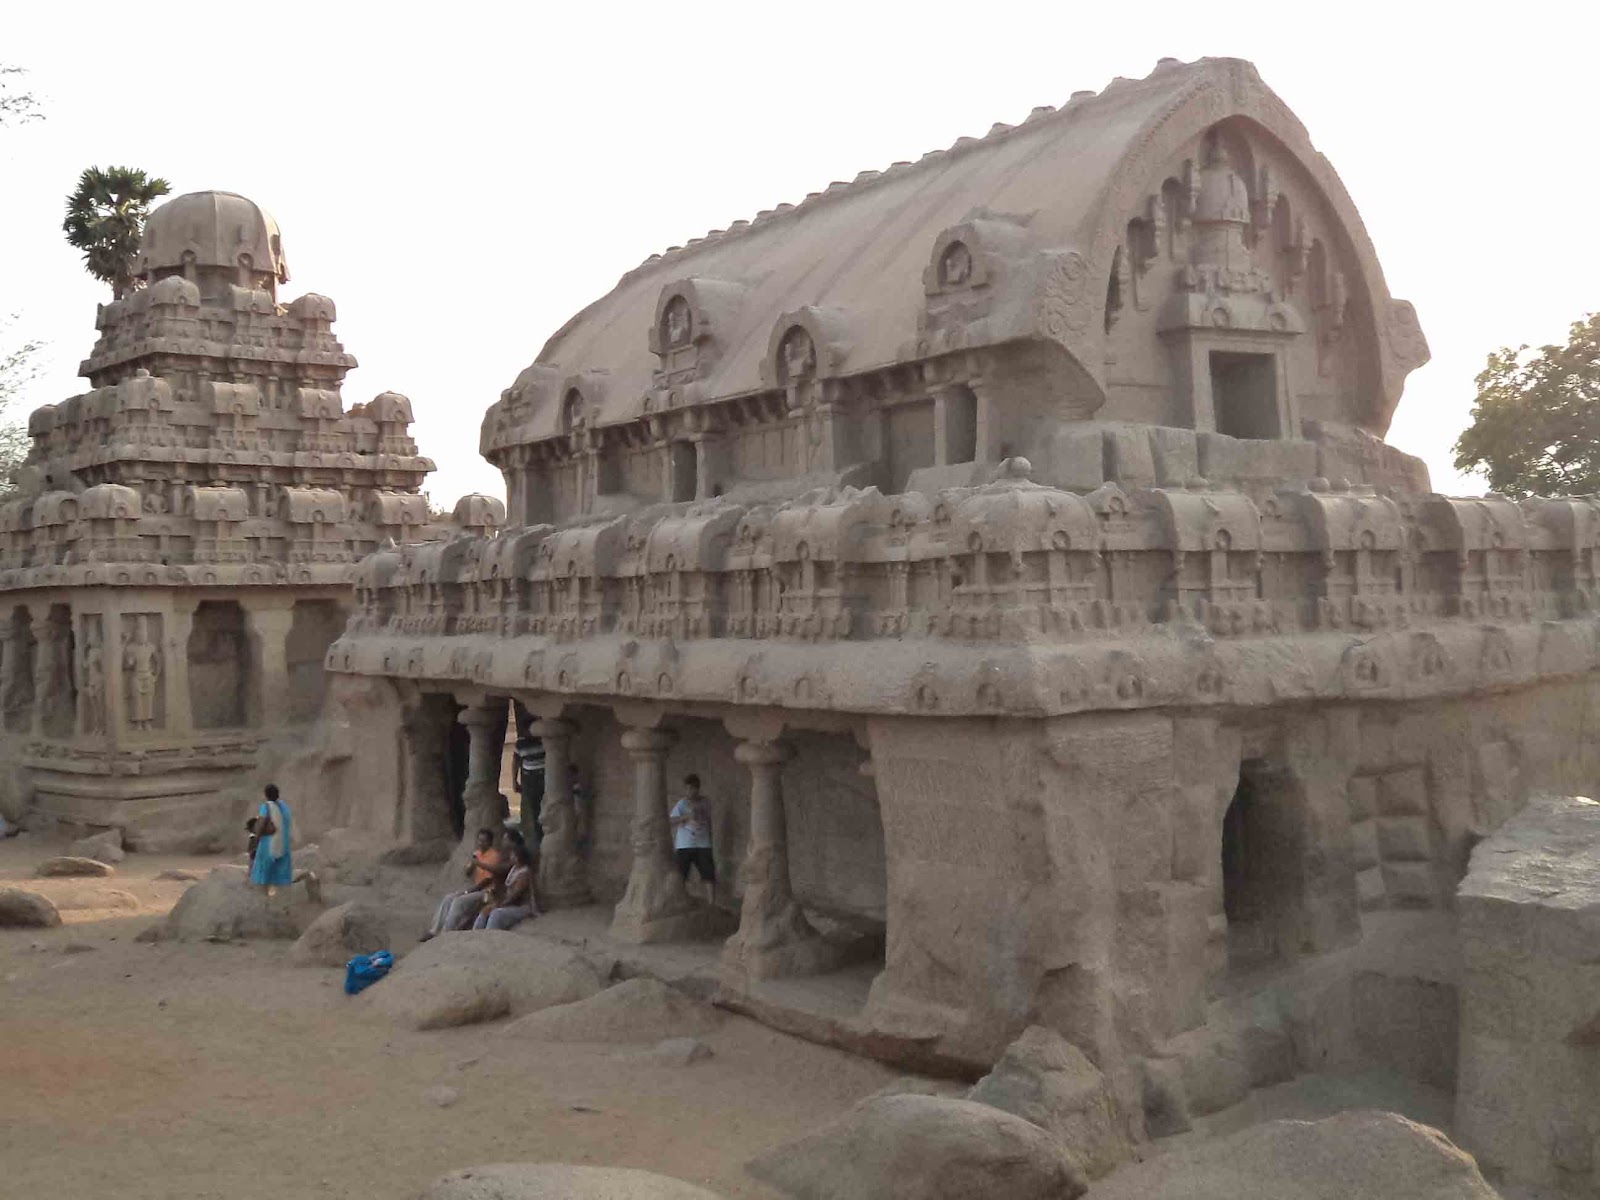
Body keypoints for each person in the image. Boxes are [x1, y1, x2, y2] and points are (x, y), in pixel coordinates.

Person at [420, 828, 503, 941]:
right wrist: (471, 866)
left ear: (490, 842)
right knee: (448, 898)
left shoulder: (494, 856)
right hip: (476, 888)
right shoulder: (477, 854)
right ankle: (434, 930)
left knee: (458, 902)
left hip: (487, 891)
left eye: (484, 841)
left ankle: (446, 931)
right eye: (479, 840)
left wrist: (469, 890)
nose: (480, 843)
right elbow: (467, 874)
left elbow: (488, 880)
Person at [249, 784, 320, 902]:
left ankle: (263, 903)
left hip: (268, 847)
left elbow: (261, 824)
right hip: (284, 847)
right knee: (282, 877)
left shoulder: (266, 807)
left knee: (263, 877)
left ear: (266, 795)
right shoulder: (285, 807)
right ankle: (283, 904)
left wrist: (255, 838)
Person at [668, 773, 716, 904]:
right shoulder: (681, 804)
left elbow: (708, 820)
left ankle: (711, 902)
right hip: (684, 844)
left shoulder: (705, 802)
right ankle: (680, 901)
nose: (689, 792)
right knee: (681, 875)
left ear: (697, 788)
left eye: (692, 788)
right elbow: (671, 820)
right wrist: (684, 818)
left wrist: (710, 839)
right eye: (687, 789)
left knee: (708, 874)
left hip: (703, 843)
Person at [474, 841, 537, 931]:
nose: (510, 857)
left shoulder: (524, 873)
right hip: (512, 904)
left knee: (496, 914)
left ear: (519, 857)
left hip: (523, 907)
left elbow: (515, 896)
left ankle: (488, 938)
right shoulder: (514, 869)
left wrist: (499, 905)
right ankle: (475, 936)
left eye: (513, 855)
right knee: (485, 911)